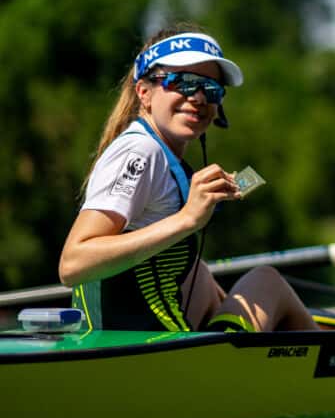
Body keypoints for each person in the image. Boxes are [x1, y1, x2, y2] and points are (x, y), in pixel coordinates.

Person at [59, 24, 315, 333]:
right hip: (145, 353)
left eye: (210, 89)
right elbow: (73, 264)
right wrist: (187, 220)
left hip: (147, 344)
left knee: (200, 273)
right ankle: (331, 370)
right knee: (267, 280)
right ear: (144, 92)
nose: (197, 97)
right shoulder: (140, 152)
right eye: (183, 83)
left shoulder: (159, 151)